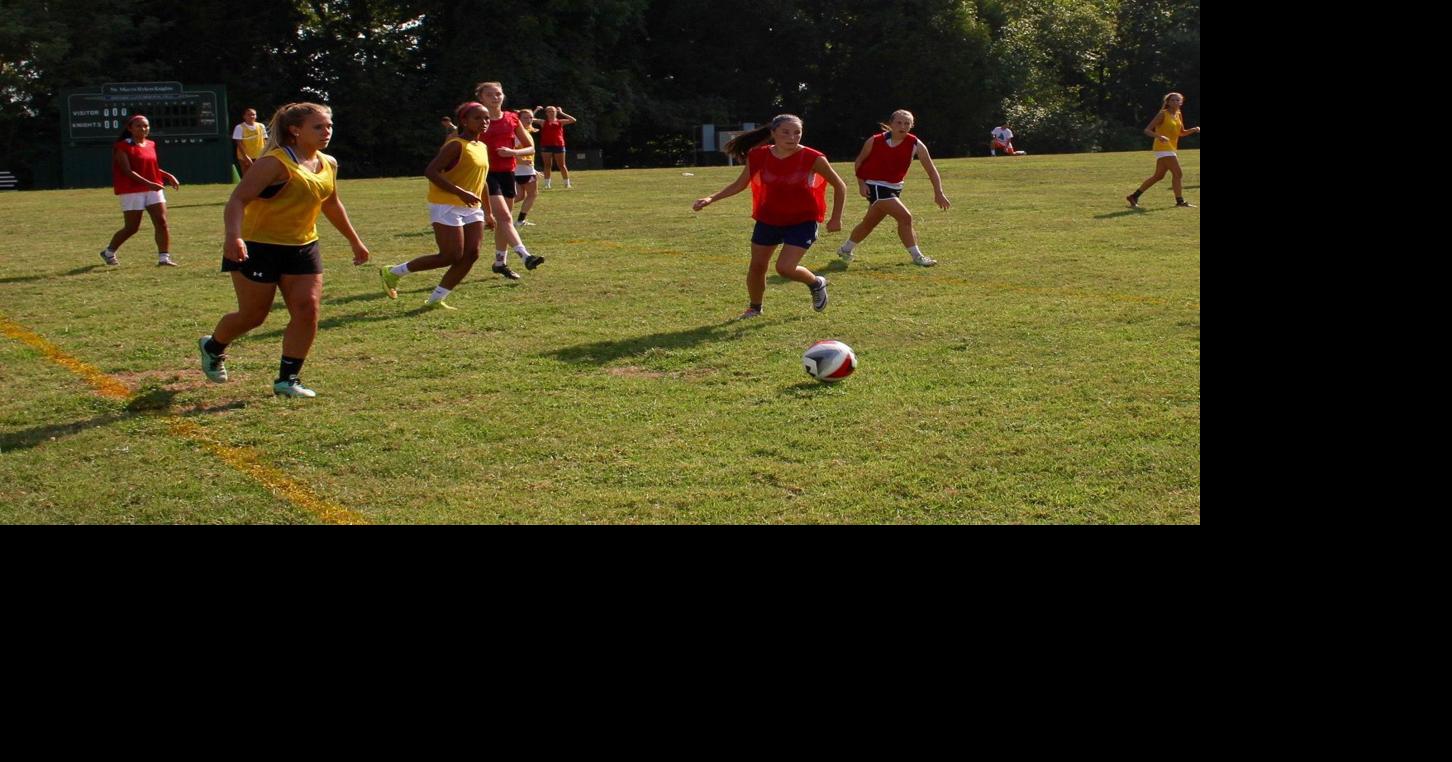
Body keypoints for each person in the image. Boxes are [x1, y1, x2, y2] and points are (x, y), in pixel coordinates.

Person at [198, 102, 370, 398]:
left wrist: (354, 240)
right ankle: (213, 346)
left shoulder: (328, 163)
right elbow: (237, 200)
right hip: (258, 247)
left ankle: (287, 380)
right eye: (318, 126)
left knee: (308, 310)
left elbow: (330, 203)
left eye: (329, 125)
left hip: (303, 247)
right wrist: (233, 237)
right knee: (253, 316)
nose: (326, 131)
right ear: (295, 130)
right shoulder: (274, 163)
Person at [692, 114, 847, 319]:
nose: (792, 137)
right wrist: (711, 198)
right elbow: (740, 184)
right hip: (768, 218)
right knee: (757, 266)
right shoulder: (758, 155)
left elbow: (840, 185)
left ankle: (816, 283)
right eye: (785, 132)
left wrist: (836, 218)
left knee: (784, 268)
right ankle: (755, 308)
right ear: (773, 133)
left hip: (802, 220)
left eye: (797, 132)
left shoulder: (813, 157)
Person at [379, 102, 492, 310]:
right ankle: (394, 272)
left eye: (486, 118)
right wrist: (460, 192)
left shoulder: (482, 146)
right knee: (450, 255)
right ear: (464, 121)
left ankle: (436, 300)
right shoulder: (456, 144)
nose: (484, 122)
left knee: (472, 254)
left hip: (471, 207)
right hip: (445, 204)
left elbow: (482, 180)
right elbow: (431, 171)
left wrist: (489, 211)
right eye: (478, 118)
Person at [837, 109, 951, 268]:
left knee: (869, 223)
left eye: (907, 123)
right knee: (905, 217)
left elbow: (931, 169)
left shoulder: (915, 144)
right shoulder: (875, 140)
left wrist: (939, 192)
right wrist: (861, 184)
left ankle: (845, 249)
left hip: (895, 188)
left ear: (911, 126)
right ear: (890, 124)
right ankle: (918, 257)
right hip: (875, 186)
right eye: (899, 122)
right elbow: (859, 162)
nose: (902, 126)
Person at [474, 81, 543, 279]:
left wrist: (512, 152)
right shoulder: (477, 119)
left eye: (498, 94)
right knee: (504, 218)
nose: (495, 98)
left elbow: (530, 147)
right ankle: (525, 256)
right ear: (481, 99)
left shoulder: (512, 118)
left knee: (505, 221)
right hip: (486, 174)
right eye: (490, 95)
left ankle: (499, 263)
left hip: (508, 173)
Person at [99, 114, 181, 267]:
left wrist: (168, 175)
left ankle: (164, 258)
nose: (143, 128)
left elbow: (152, 167)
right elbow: (127, 170)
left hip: (153, 188)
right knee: (132, 227)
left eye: (146, 126)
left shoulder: (150, 144)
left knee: (161, 222)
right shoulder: (123, 146)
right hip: (132, 190)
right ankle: (109, 252)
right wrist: (149, 183)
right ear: (130, 128)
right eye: (138, 126)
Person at [1127, 92, 1200, 208]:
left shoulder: (1178, 114)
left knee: (1158, 176)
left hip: (1171, 147)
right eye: (1172, 100)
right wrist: (1159, 136)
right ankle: (1180, 201)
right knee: (1178, 173)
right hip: (1162, 147)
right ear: (1168, 102)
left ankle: (1134, 196)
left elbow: (1182, 133)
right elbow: (1147, 130)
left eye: (1177, 100)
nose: (1175, 102)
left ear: (1181, 102)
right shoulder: (1162, 114)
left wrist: (1194, 129)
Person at [537, 105, 577, 189]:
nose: (551, 113)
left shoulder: (560, 121)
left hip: (559, 145)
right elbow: (529, 119)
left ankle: (567, 183)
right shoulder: (543, 122)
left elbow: (573, 120)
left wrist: (562, 113)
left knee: (562, 165)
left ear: (556, 112)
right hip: (546, 145)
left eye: (553, 111)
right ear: (546, 113)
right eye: (549, 111)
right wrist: (536, 110)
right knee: (547, 165)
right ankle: (547, 184)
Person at [513, 108, 541, 226]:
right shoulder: (518, 135)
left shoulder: (525, 132)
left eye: (530, 117)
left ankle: (491, 211)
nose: (529, 120)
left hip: (522, 170)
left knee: (519, 196)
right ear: (519, 119)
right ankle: (520, 220)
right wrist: (522, 162)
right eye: (525, 118)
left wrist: (533, 169)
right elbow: (511, 152)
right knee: (532, 194)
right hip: (522, 170)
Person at [232, 108, 269, 175]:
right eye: (248, 115)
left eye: (253, 115)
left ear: (256, 116)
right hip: (244, 156)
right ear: (244, 116)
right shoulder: (239, 127)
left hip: (259, 155)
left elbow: (265, 140)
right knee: (247, 175)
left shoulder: (261, 126)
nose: (251, 116)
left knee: (259, 174)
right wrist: (246, 157)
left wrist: (266, 153)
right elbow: (239, 143)